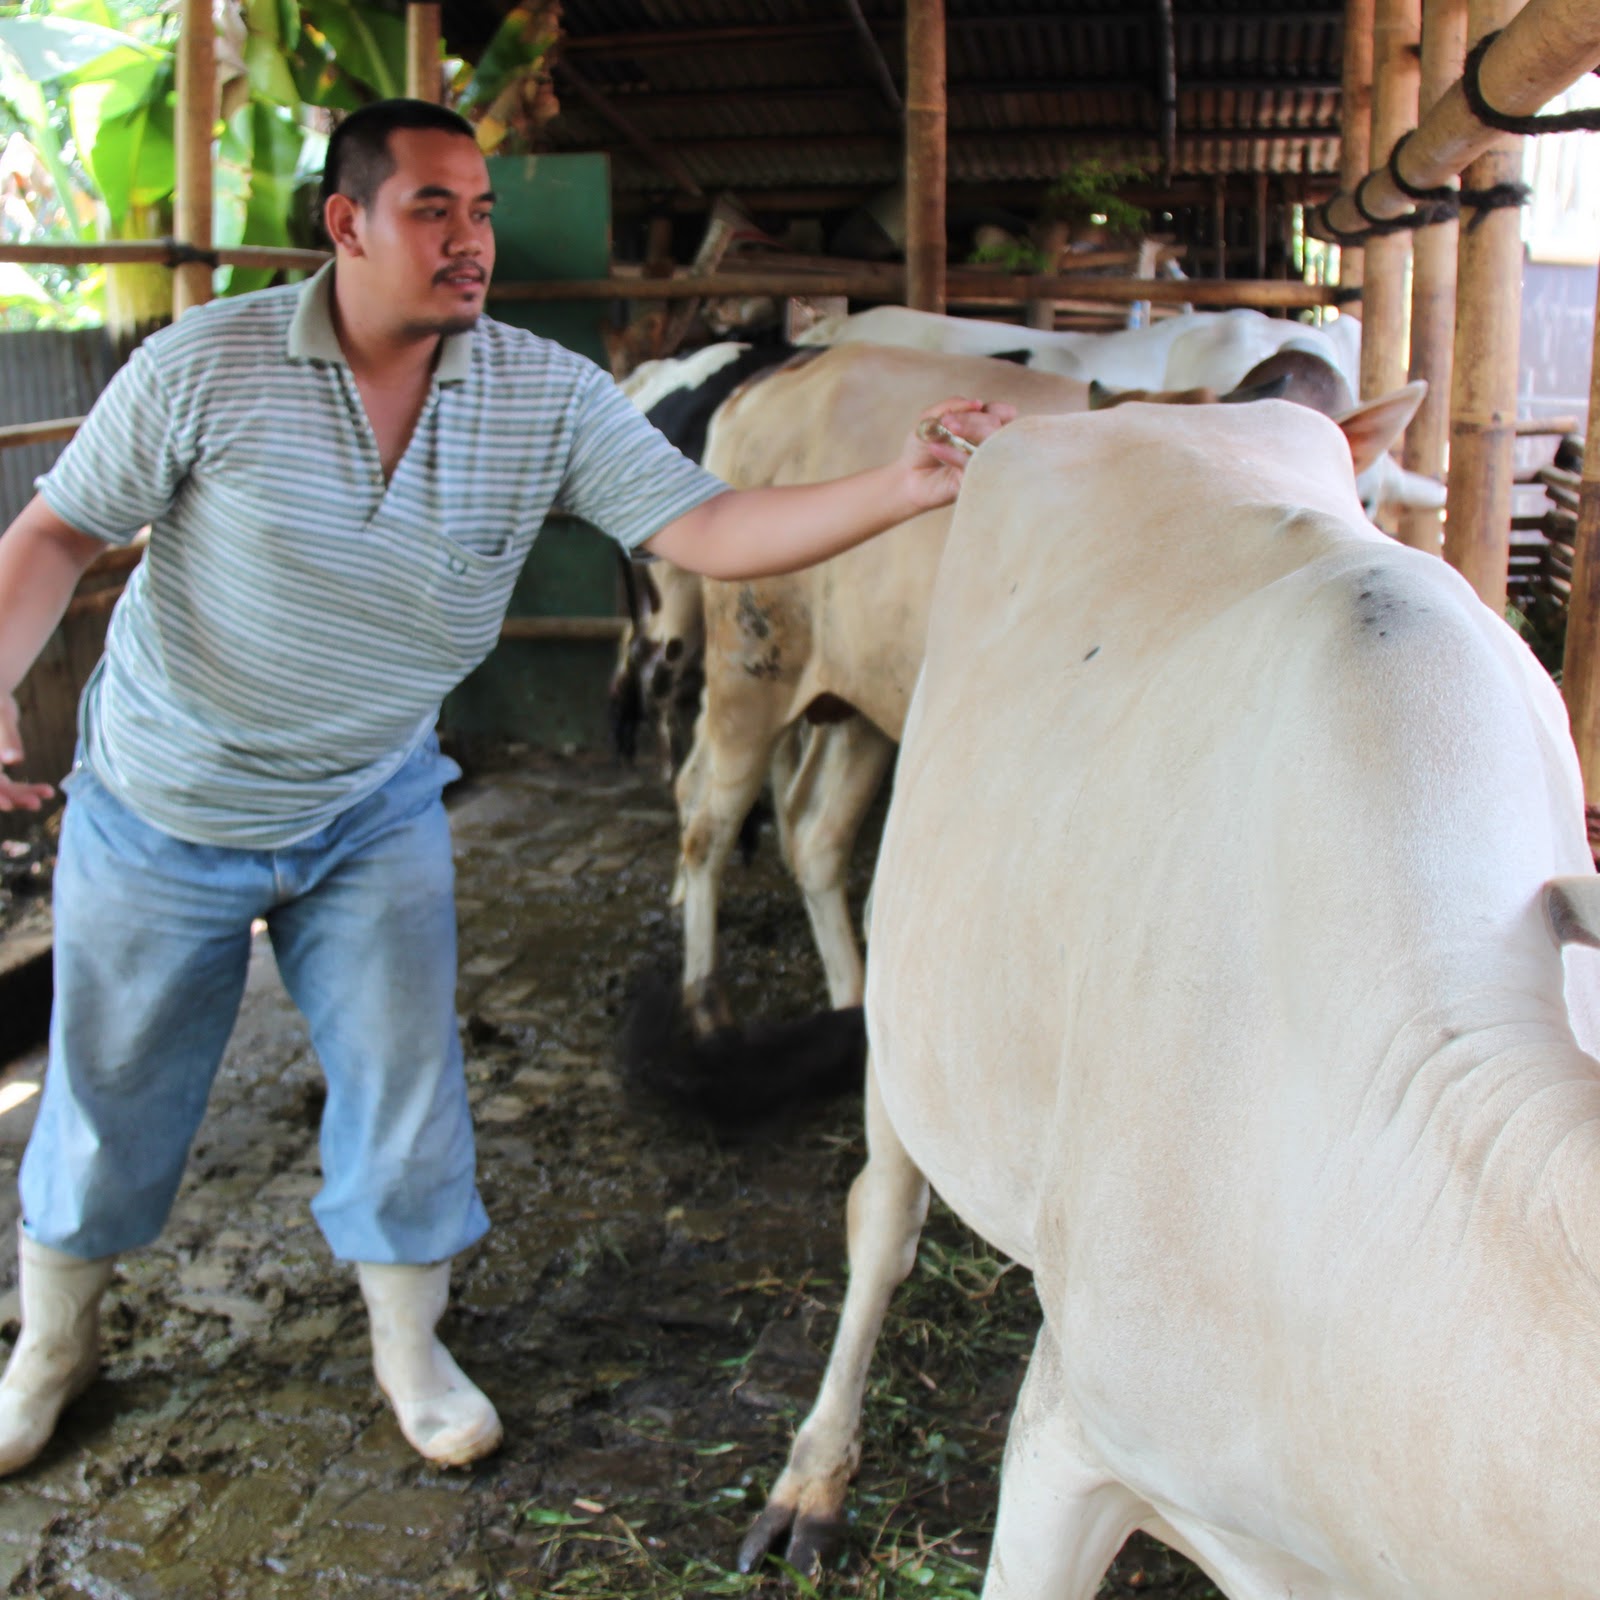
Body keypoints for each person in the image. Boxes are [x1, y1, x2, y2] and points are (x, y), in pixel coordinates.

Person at [0, 98, 1013, 1477]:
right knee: (111, 1093)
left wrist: (902, 483)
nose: (471, 240)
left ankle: (408, 1347)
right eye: (434, 209)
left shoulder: (541, 392)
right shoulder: (205, 364)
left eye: (480, 211)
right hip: (167, 807)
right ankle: (54, 1347)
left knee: (409, 1090)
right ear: (347, 223)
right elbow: (58, 529)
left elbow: (705, 525)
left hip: (371, 806)